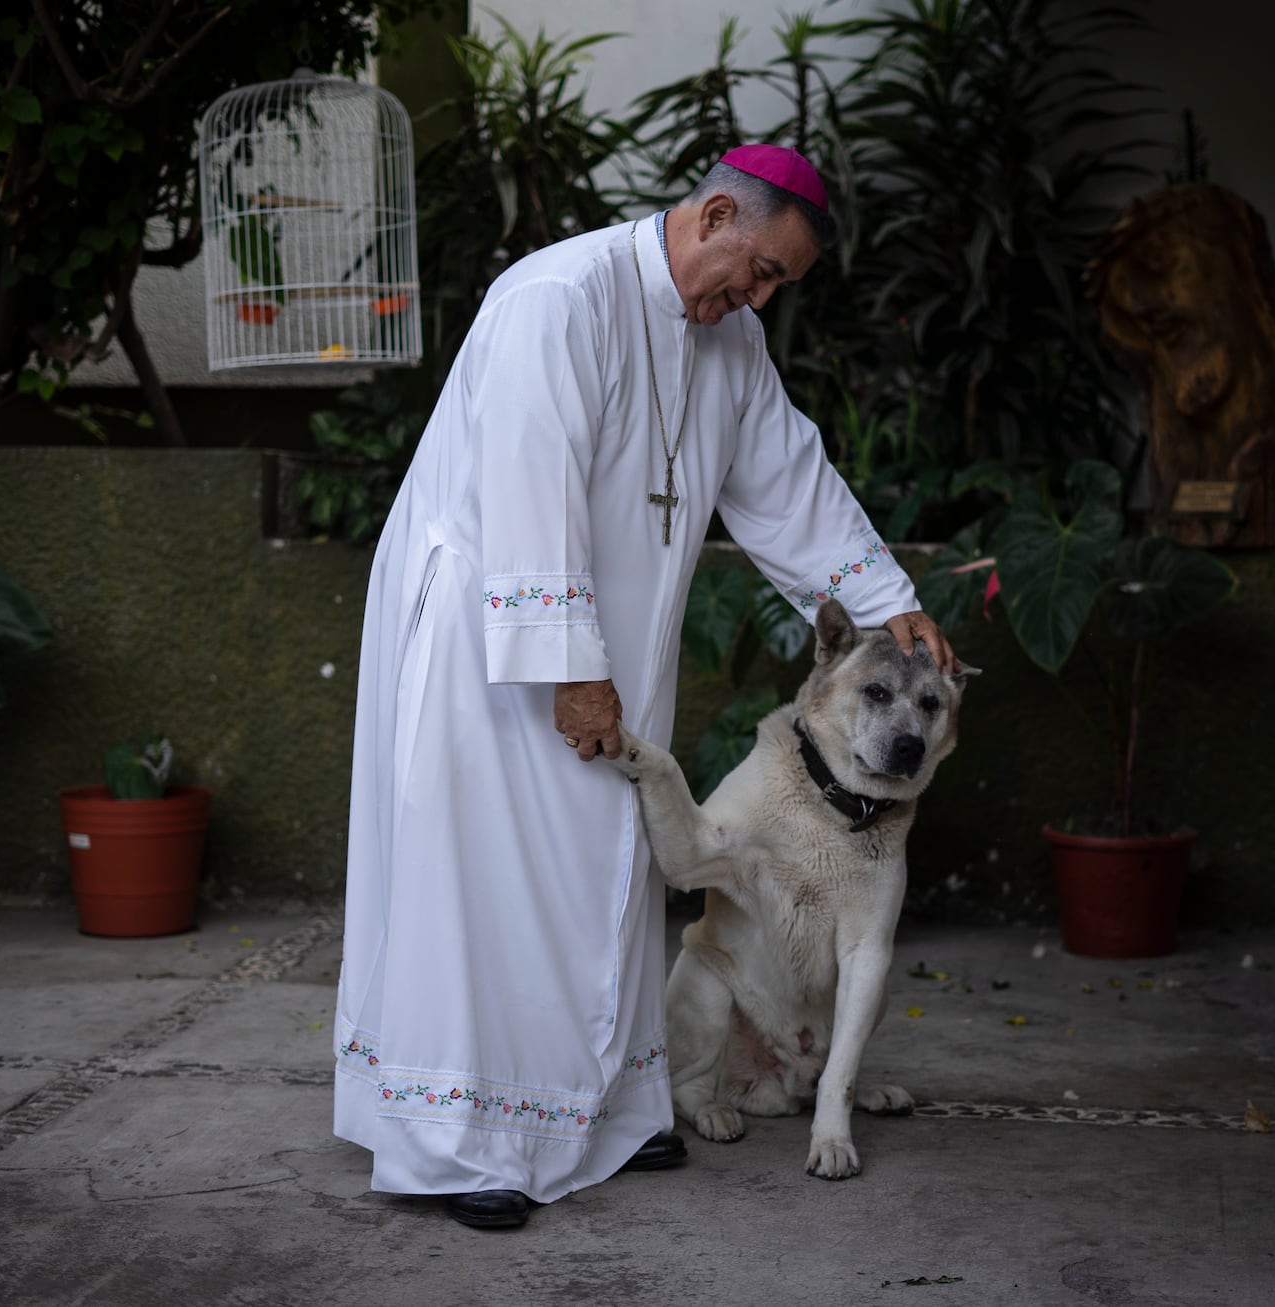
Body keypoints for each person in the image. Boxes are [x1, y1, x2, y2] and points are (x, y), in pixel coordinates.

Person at [333, 145, 958, 1230]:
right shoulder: (556, 299)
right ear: (715, 213)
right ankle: (462, 1139)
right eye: (757, 270)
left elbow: (788, 485)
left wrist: (888, 600)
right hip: (497, 644)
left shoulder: (728, 339)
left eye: (776, 286)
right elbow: (526, 490)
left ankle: (609, 1109)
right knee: (489, 878)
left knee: (612, 862)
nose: (757, 298)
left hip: (606, 643)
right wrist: (571, 667)